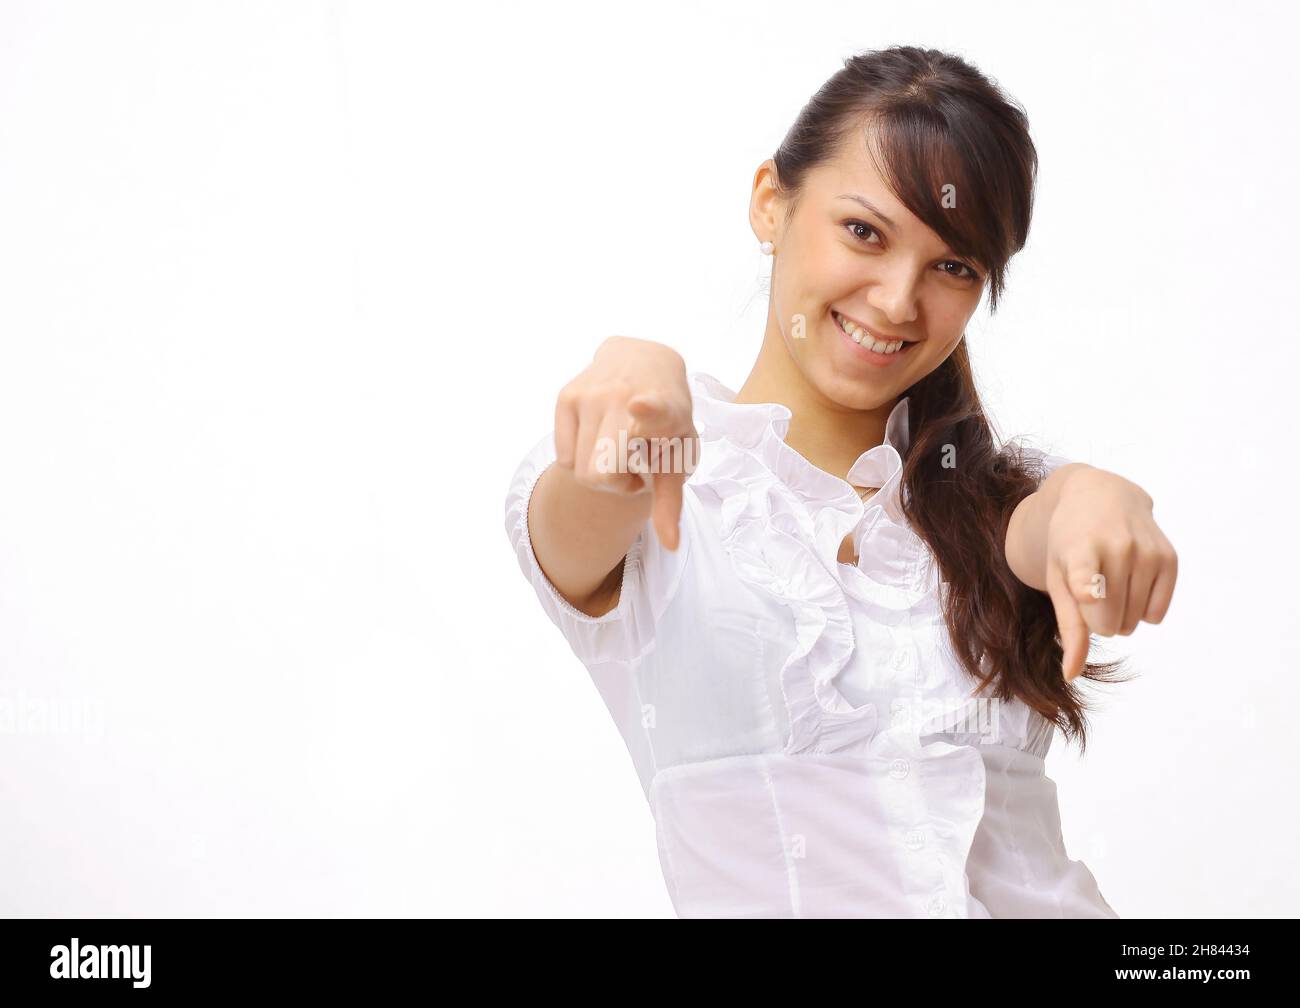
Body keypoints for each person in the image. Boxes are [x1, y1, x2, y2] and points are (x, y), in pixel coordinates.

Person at [502, 45, 1178, 918]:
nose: (899, 300)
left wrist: (1093, 490)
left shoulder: (989, 503)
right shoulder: (678, 497)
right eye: (864, 231)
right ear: (770, 203)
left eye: (954, 267)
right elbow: (594, 497)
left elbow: (1047, 525)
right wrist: (632, 399)